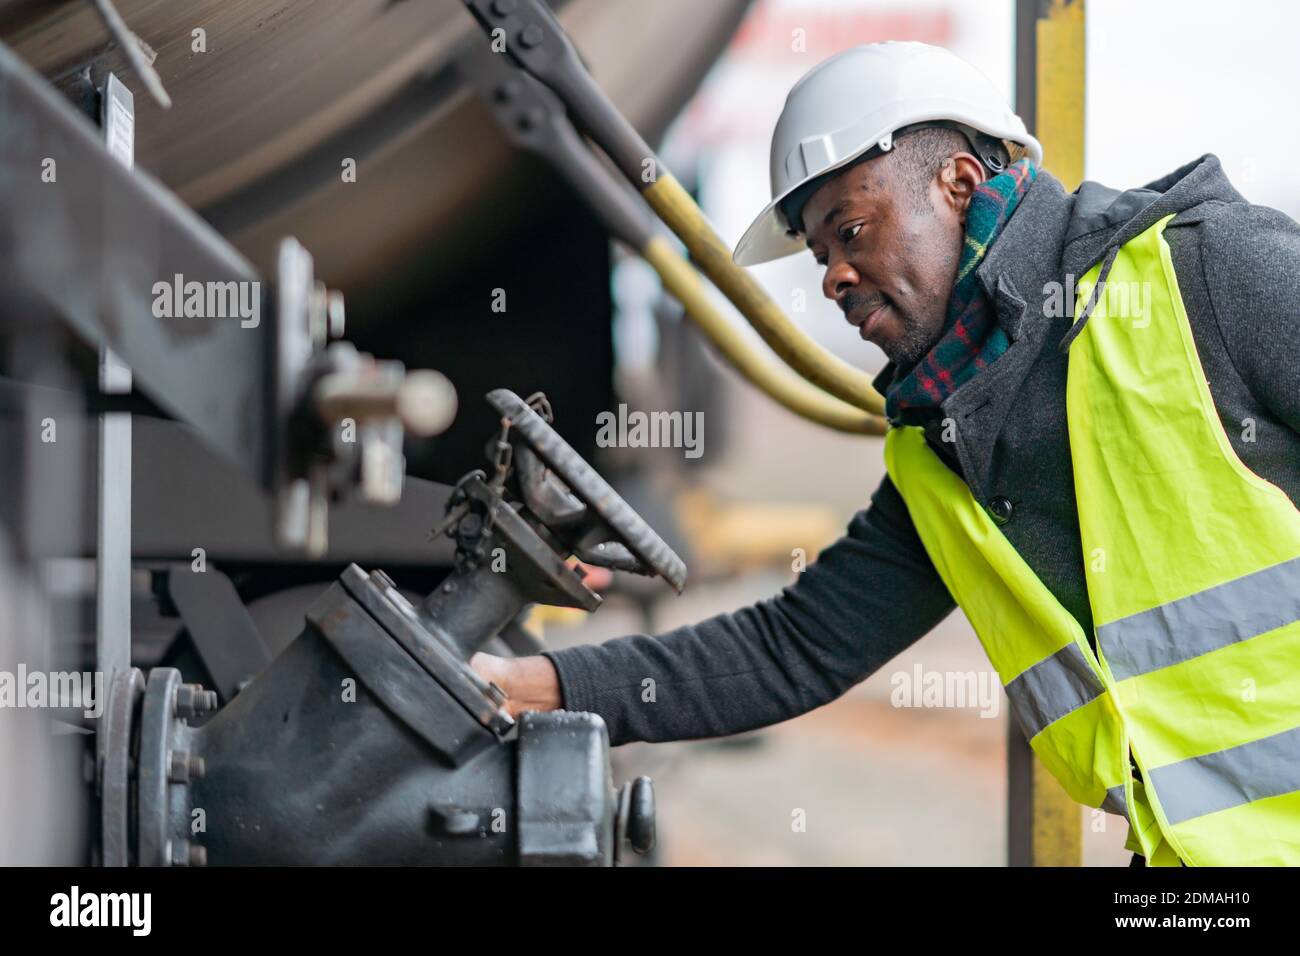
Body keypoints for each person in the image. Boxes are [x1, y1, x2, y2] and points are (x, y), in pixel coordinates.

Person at [472, 41, 1300, 866]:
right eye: (819, 251)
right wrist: (528, 686)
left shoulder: (1204, 276)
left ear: (960, 184)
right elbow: (794, 647)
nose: (832, 277)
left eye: (851, 230)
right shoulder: (943, 449)